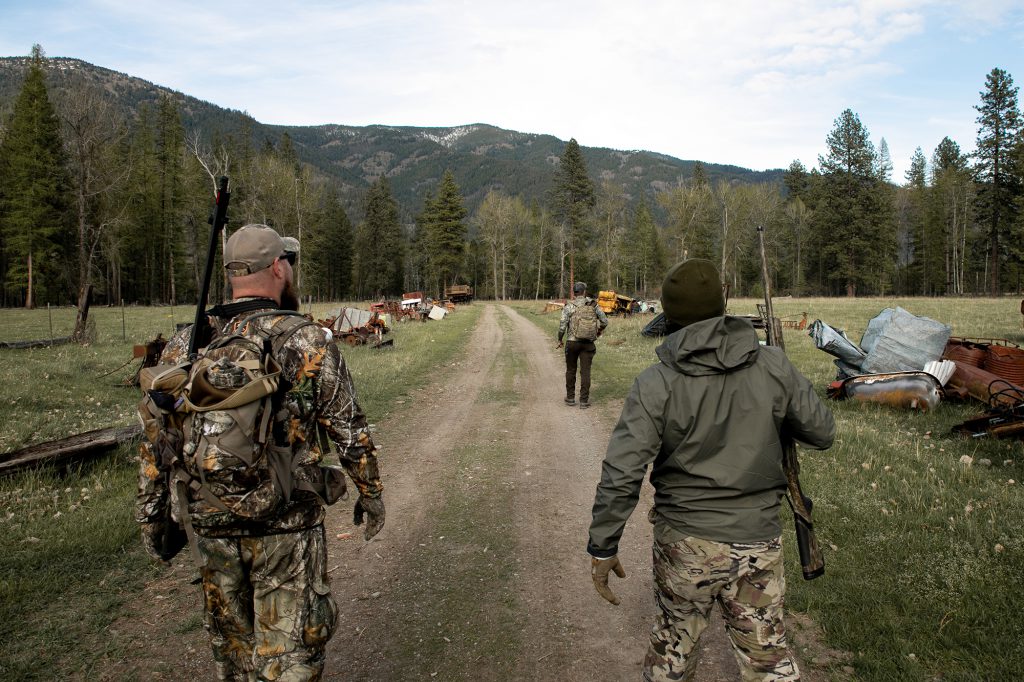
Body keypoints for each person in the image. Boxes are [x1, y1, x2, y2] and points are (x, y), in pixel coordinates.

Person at [135, 224, 385, 681]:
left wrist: (152, 516)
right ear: (277, 268)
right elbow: (348, 426)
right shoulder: (307, 340)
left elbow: (156, 438)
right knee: (289, 658)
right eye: (288, 263)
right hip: (286, 526)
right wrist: (370, 493)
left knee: (235, 658)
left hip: (210, 526)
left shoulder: (187, 344)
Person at [586, 259, 835, 681]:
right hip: (757, 542)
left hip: (682, 546)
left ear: (669, 312)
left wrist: (603, 547)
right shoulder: (772, 365)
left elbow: (622, 472)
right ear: (724, 301)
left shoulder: (656, 383)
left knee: (673, 651)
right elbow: (822, 433)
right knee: (769, 660)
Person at [557, 281, 609, 409]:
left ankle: (570, 398)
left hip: (572, 342)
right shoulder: (593, 305)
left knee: (571, 370)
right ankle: (584, 401)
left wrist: (559, 339)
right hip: (588, 344)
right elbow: (604, 321)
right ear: (584, 291)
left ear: (574, 293)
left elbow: (562, 326)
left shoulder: (569, 306)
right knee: (586, 372)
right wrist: (599, 330)